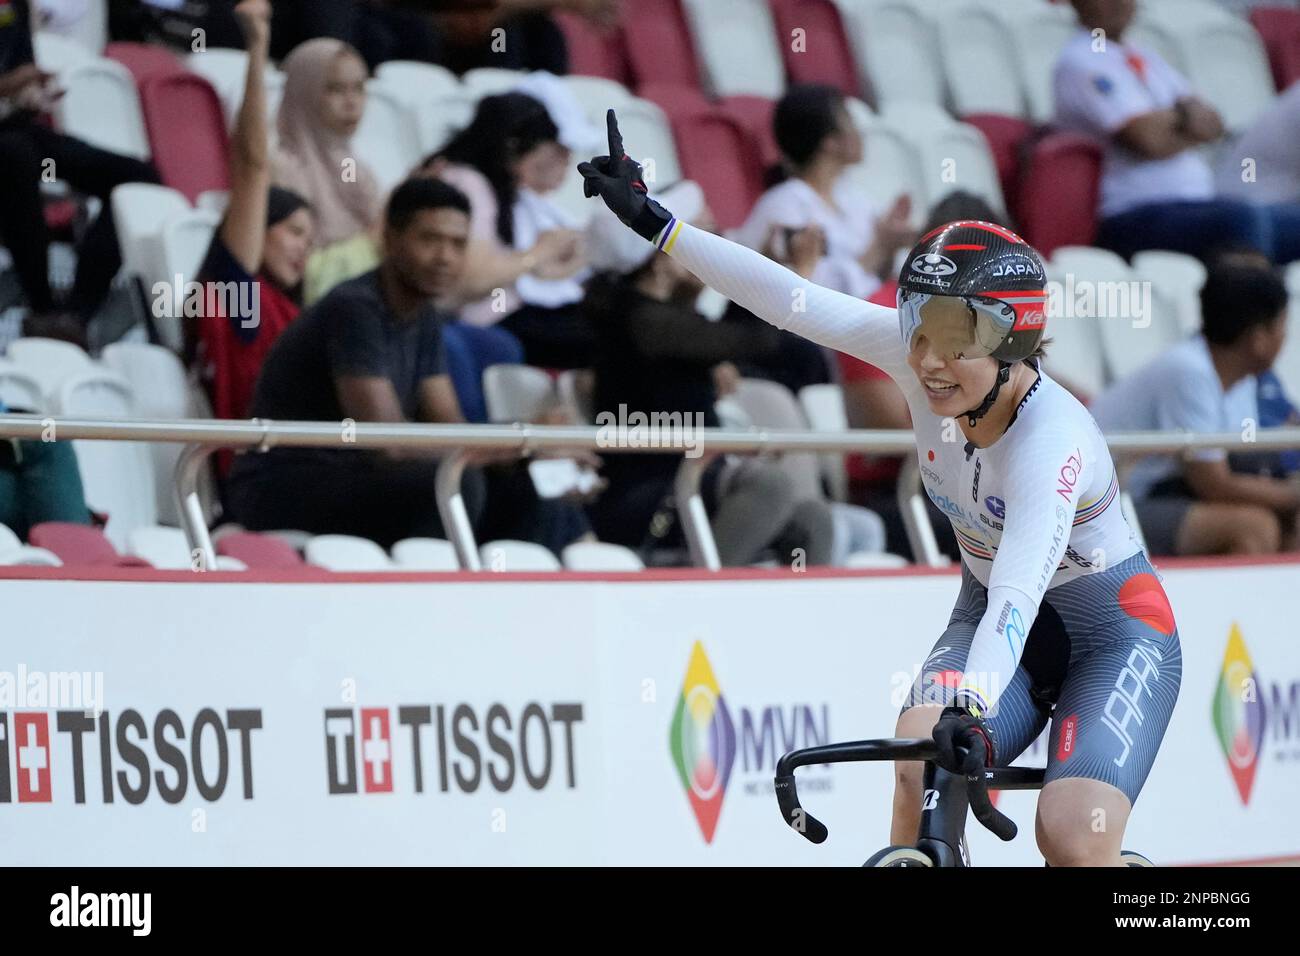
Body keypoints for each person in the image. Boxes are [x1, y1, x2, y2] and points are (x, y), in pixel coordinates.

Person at [579, 110, 1182, 865]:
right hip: (996, 621)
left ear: (1012, 342)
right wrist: (658, 224)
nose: (927, 360)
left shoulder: (1054, 441)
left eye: (953, 341)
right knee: (916, 757)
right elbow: (787, 298)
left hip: (1113, 635)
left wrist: (969, 703)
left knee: (1068, 834)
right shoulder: (918, 356)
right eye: (916, 331)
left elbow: (1018, 598)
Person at [583, 181, 834, 567]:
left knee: (812, 519)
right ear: (662, 257)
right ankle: (700, 602)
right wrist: (794, 279)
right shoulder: (641, 320)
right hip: (644, 497)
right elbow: (759, 340)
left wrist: (763, 272)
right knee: (769, 483)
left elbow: (733, 338)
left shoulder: (669, 321)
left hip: (695, 485)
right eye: (706, 239)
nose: (716, 251)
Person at [226, 177, 484, 547]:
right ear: (390, 240)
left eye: (458, 244)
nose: (445, 257)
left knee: (521, 485)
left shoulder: (424, 315)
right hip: (281, 486)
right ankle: (429, 596)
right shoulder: (355, 308)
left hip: (353, 479)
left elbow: (448, 424)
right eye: (429, 240)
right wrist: (493, 447)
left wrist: (523, 449)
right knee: (454, 482)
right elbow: (386, 443)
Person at [1053, 0, 1300, 263]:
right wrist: (1186, 119)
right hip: (1132, 212)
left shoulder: (1144, 56)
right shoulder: (1079, 60)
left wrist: (1173, 123)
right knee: (1241, 219)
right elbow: (1148, 140)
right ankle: (1250, 303)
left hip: (1194, 205)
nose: (1120, 3)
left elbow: (1213, 124)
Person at [1092, 262, 1297, 555]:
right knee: (1254, 527)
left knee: (1290, 522)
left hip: (1168, 492)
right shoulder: (1190, 371)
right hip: (1112, 506)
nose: (1285, 338)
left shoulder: (1241, 378)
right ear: (1258, 338)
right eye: (1282, 326)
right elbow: (1211, 483)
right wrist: (1292, 495)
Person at [0, 0, 161, 341]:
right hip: (11, 146)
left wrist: (31, 93)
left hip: (16, 129)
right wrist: (11, 85)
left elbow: (21, 76)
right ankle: (41, 306)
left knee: (137, 177)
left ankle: (76, 313)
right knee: (18, 157)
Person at [193, 0, 313, 429]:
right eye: (295, 231)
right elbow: (251, 167)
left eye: (310, 240)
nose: (304, 248)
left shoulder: (297, 315)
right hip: (259, 473)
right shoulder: (240, 300)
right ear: (258, 227)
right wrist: (258, 45)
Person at [431, 89, 594, 367]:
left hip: (515, 312)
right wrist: (537, 255)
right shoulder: (468, 183)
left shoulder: (497, 188)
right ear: (513, 146)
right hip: (490, 318)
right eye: (553, 147)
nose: (565, 159)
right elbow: (472, 281)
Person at [273, 36, 381, 248]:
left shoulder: (349, 165)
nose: (352, 102)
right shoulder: (280, 168)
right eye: (336, 89)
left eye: (359, 88)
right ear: (304, 92)